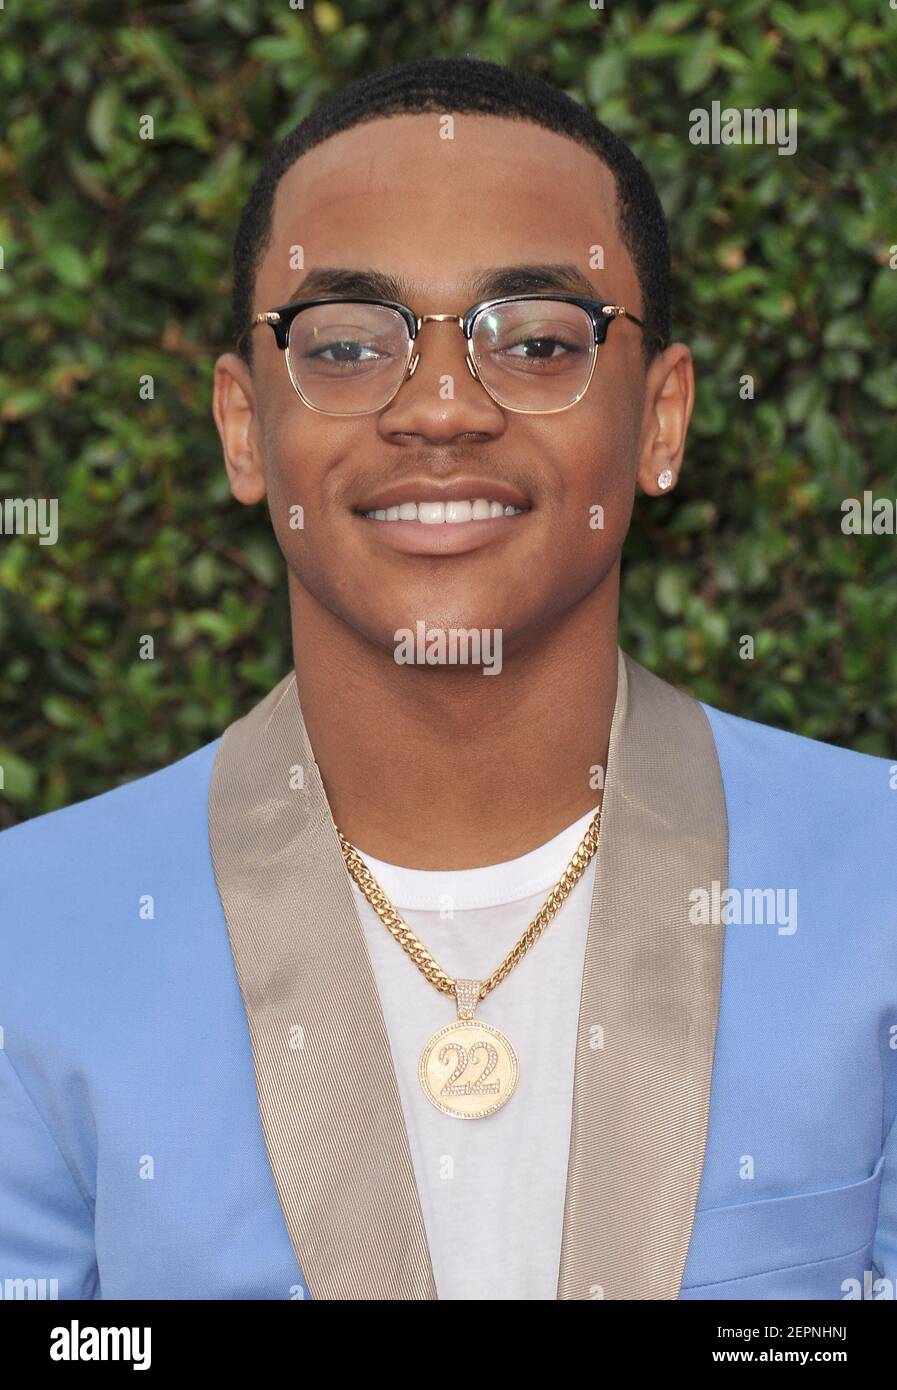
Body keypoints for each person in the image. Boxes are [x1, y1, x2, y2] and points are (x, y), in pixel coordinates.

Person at [1, 57, 894, 1302]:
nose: (437, 408)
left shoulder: (878, 888)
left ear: (661, 420)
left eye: (533, 341)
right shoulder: (31, 932)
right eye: (349, 344)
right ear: (244, 428)